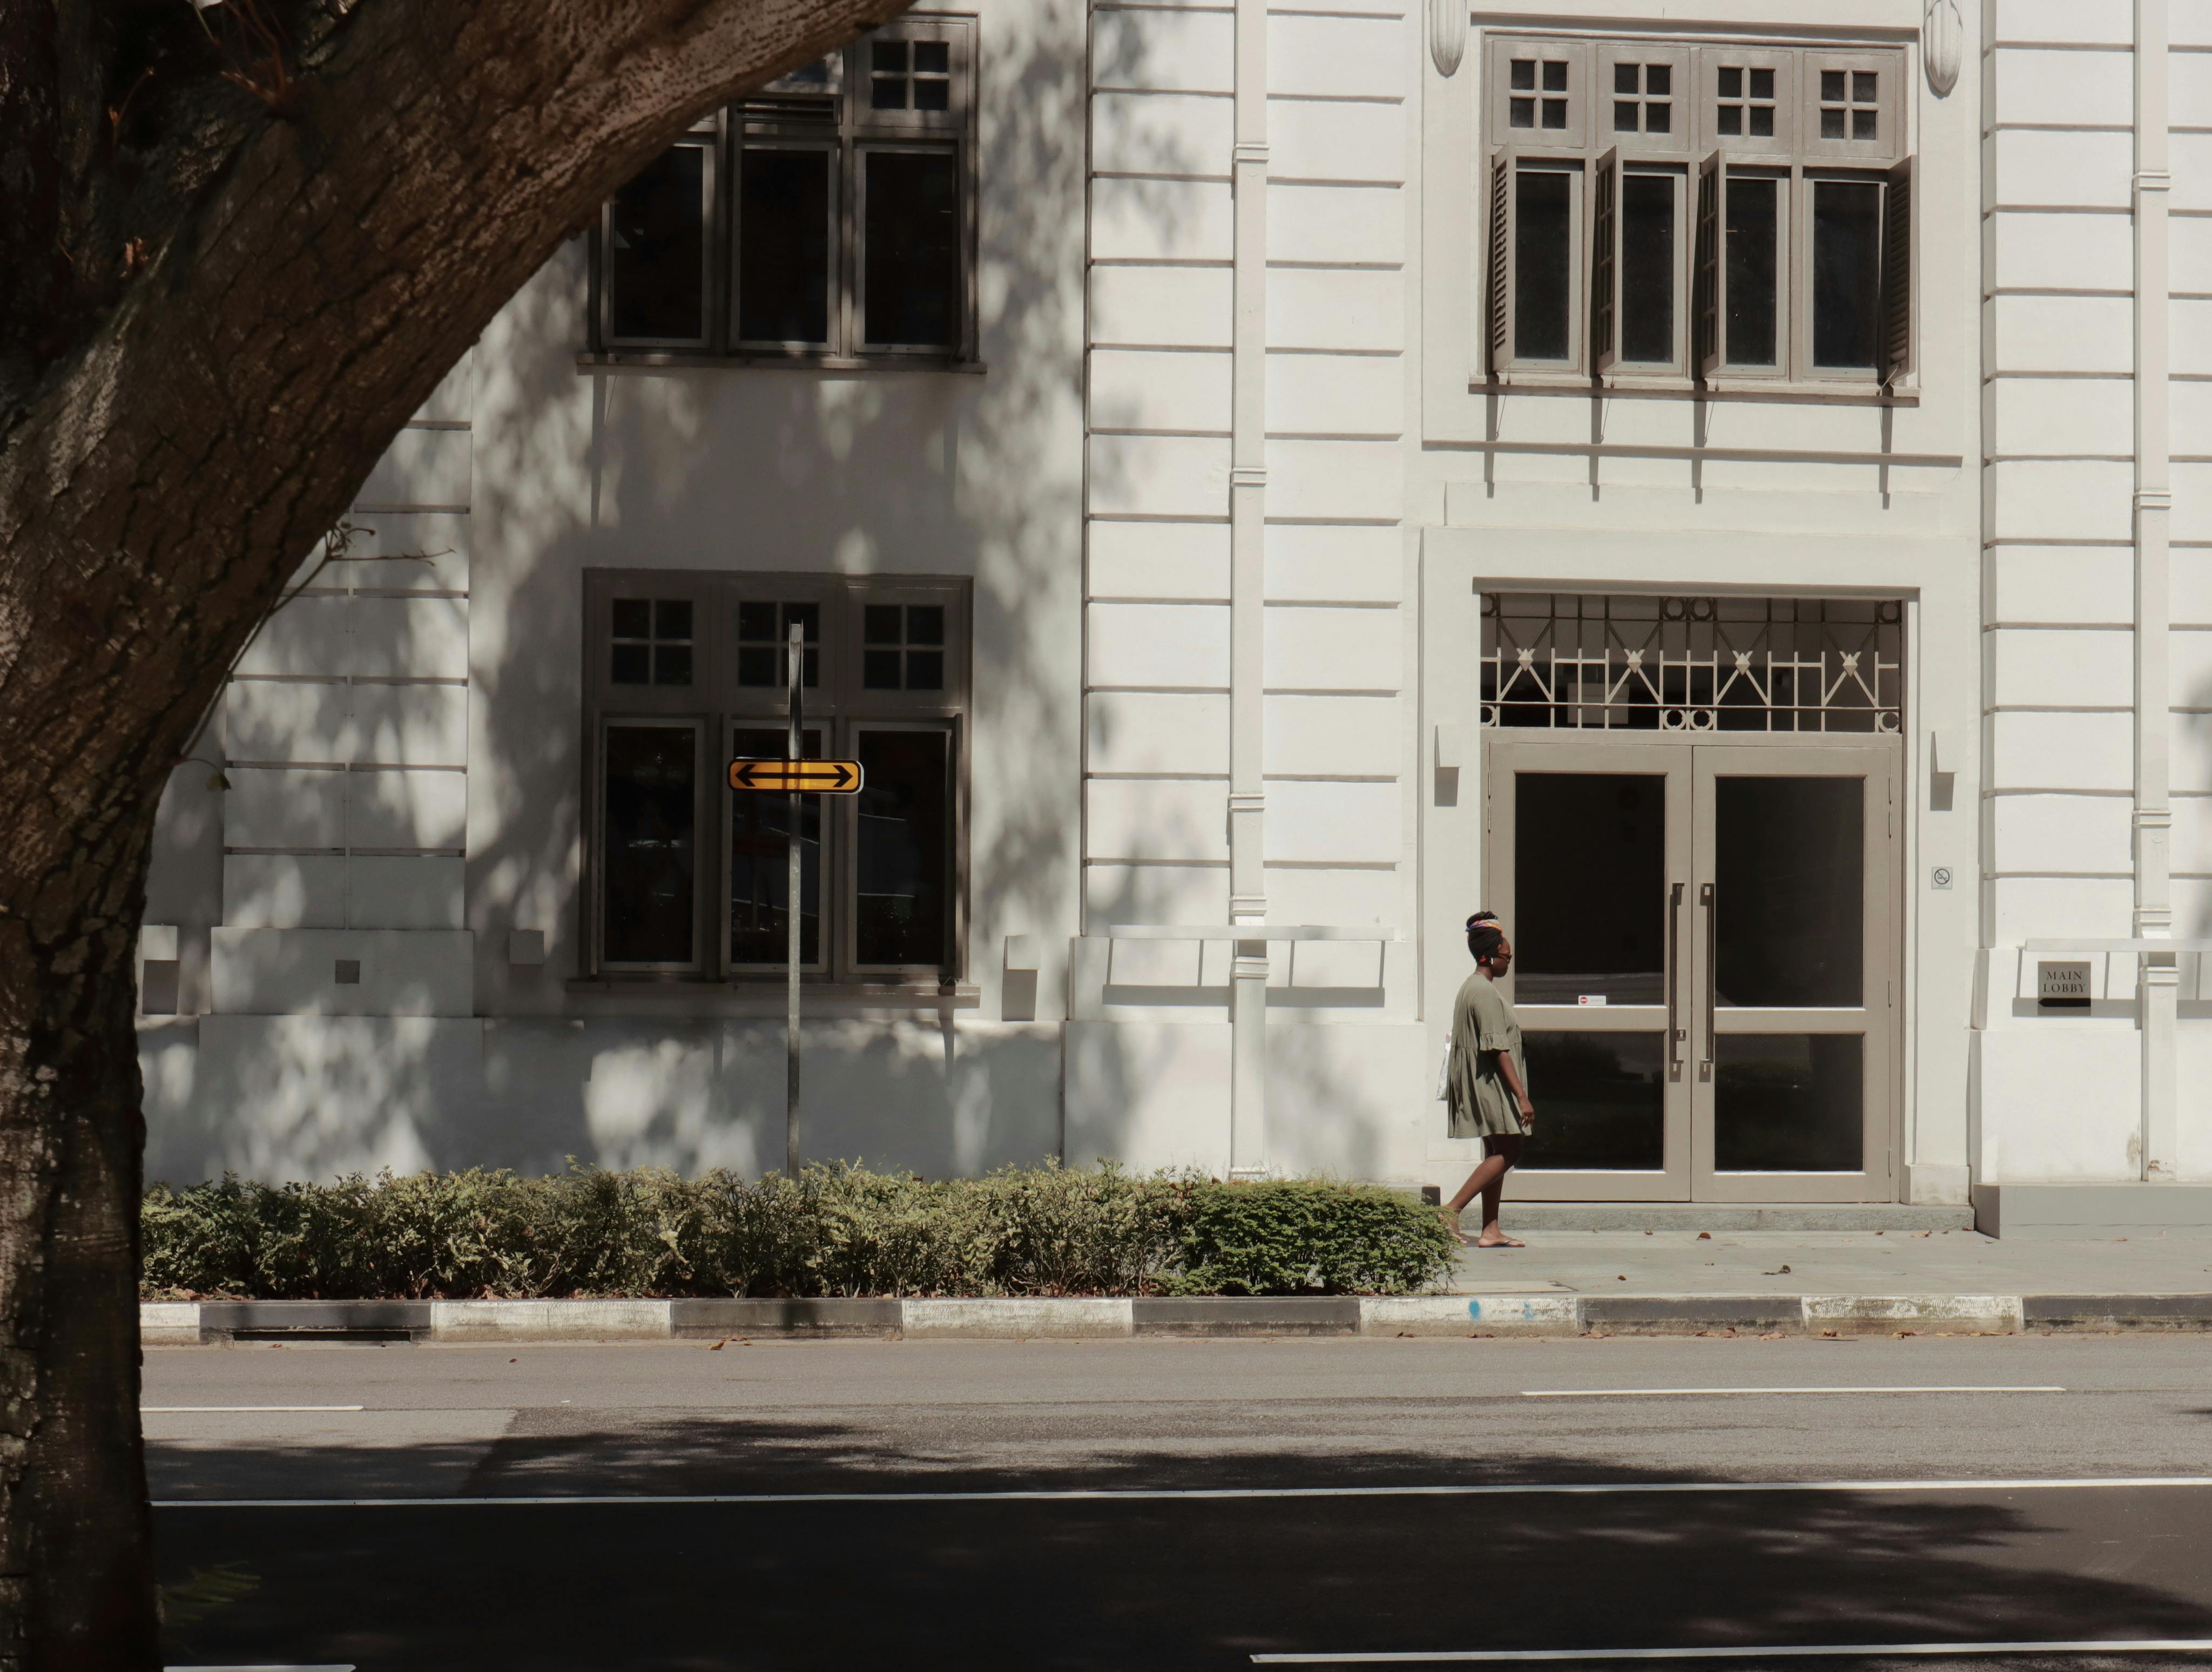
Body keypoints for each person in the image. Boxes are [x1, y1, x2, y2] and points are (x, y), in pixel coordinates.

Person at [1441, 910, 1534, 1249]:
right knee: (1509, 1151)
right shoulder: (1482, 992)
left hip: (1484, 1081)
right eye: (1506, 957)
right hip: (1490, 1083)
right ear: (1490, 955)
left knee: (1498, 1149)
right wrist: (1521, 1096)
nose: (1508, 963)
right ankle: (1450, 1210)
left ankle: (1490, 1230)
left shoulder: (1474, 988)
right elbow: (1499, 1049)